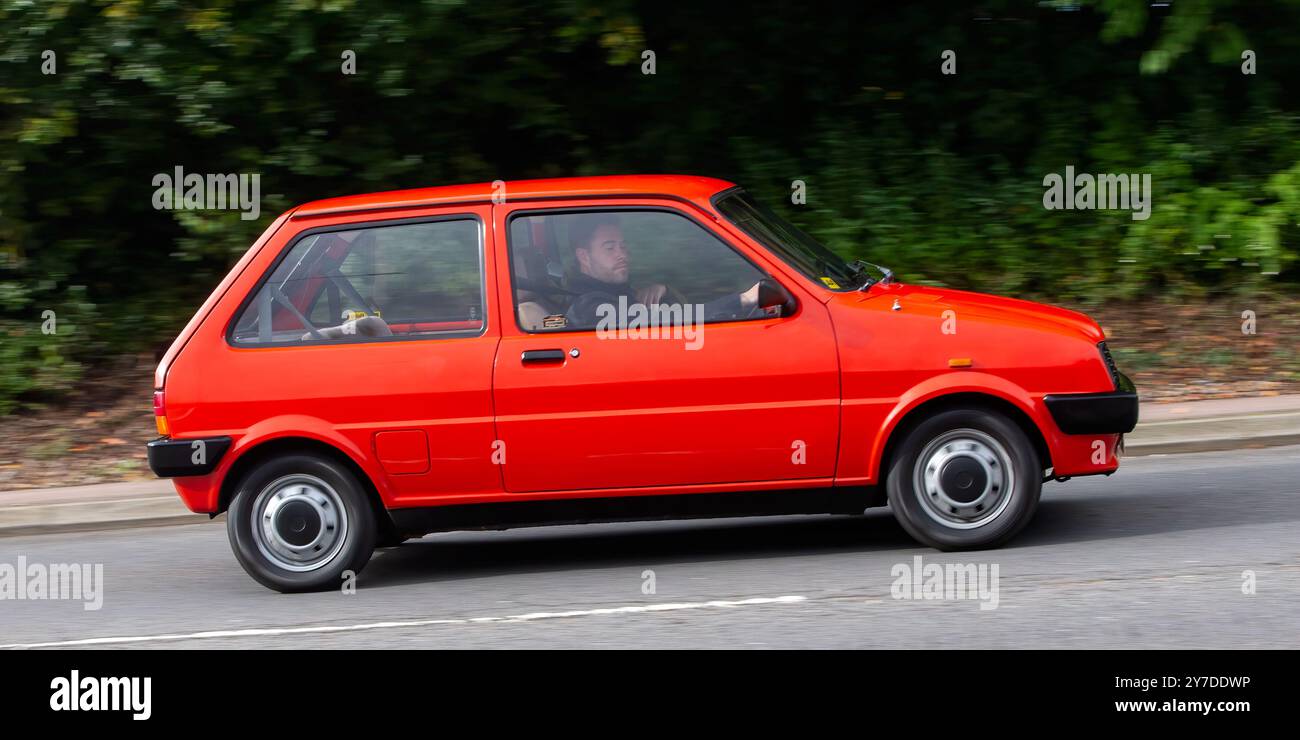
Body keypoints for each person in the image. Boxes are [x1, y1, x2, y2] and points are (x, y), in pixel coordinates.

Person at [564, 215, 761, 329]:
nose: (622, 254)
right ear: (584, 256)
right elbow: (663, 324)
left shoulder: (617, 294)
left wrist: (665, 290)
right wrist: (743, 300)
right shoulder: (590, 307)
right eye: (610, 248)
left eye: (623, 246)